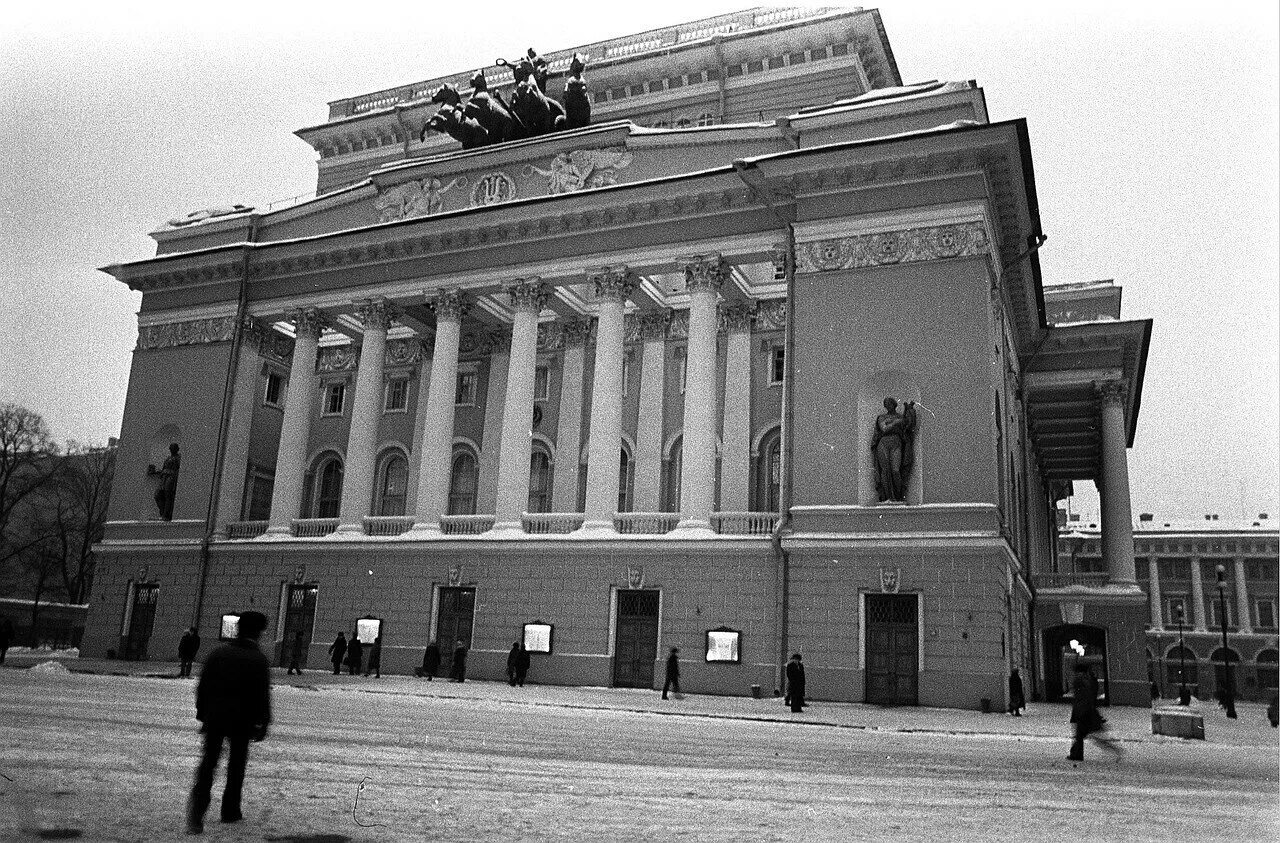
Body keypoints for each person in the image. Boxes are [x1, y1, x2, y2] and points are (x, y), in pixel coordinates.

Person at [187, 610, 271, 834]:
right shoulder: (258, 659)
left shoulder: (219, 653)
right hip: (243, 721)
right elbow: (262, 695)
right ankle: (230, 810)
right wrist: (263, 722)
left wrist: (202, 713)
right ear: (258, 632)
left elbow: (203, 687)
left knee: (208, 764)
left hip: (216, 717)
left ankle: (196, 814)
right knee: (236, 766)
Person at [1068, 664, 1121, 761]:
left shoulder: (1079, 681)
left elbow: (1081, 699)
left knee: (1085, 736)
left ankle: (1077, 755)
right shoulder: (1088, 680)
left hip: (1084, 713)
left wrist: (1078, 713)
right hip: (1087, 712)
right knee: (1084, 735)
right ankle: (1076, 754)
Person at [871, 397, 916, 503]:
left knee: (895, 470)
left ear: (894, 404)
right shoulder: (882, 417)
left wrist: (909, 411)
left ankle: (897, 497)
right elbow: (884, 428)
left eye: (889, 404)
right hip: (883, 443)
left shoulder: (900, 417)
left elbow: (909, 425)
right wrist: (896, 422)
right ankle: (887, 497)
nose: (888, 406)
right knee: (885, 470)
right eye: (886, 404)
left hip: (896, 443)